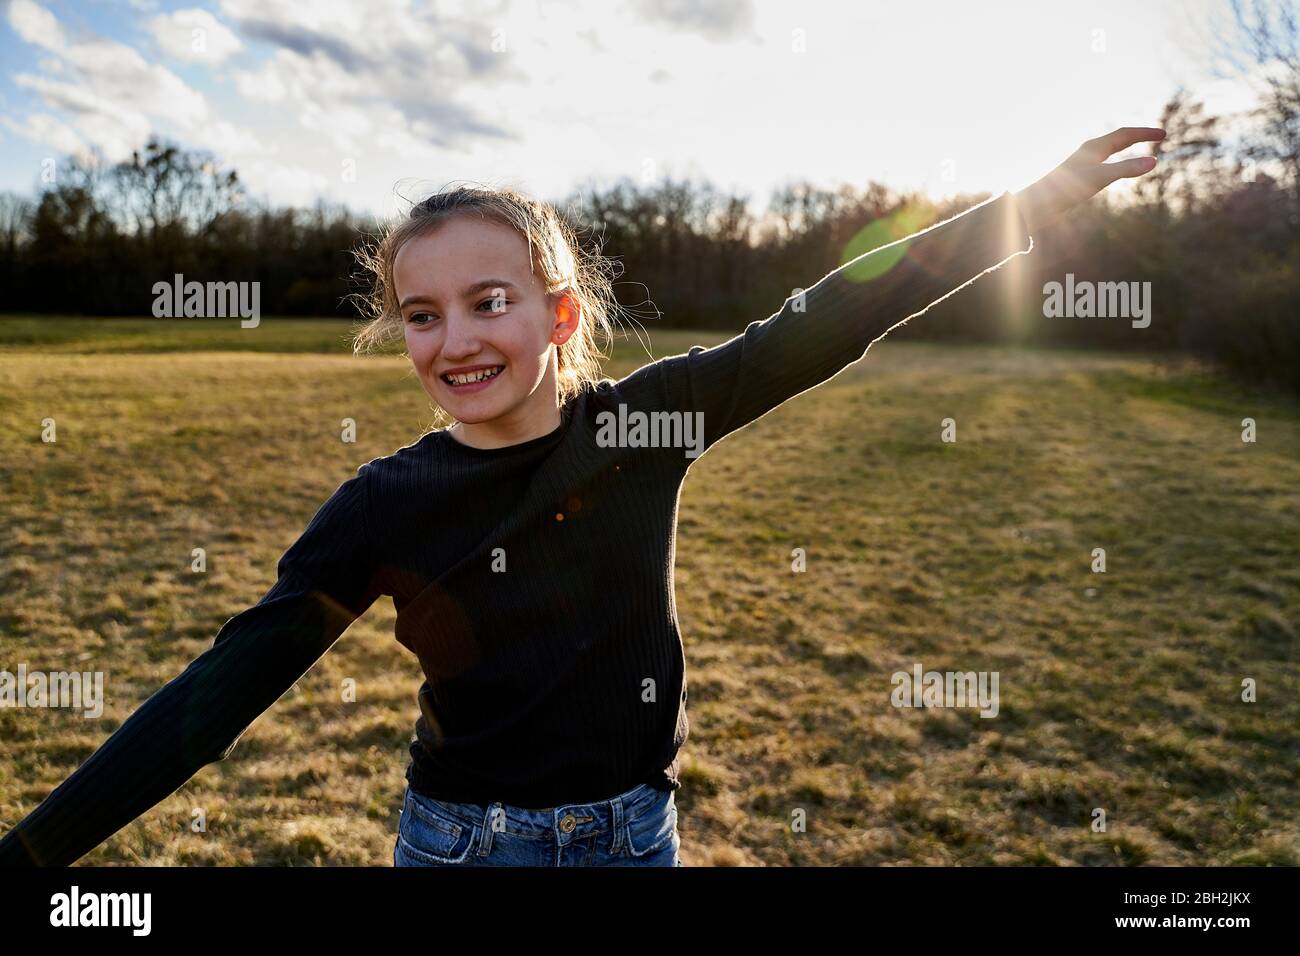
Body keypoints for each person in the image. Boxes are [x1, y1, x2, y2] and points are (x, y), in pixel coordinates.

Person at [0, 127, 1164, 867]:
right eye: (421, 313)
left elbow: (831, 316)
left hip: (632, 836)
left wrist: (1036, 199)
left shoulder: (644, 426)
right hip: (466, 845)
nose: (454, 338)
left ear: (559, 315)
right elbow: (217, 689)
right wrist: (37, 848)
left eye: (489, 299)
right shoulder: (383, 502)